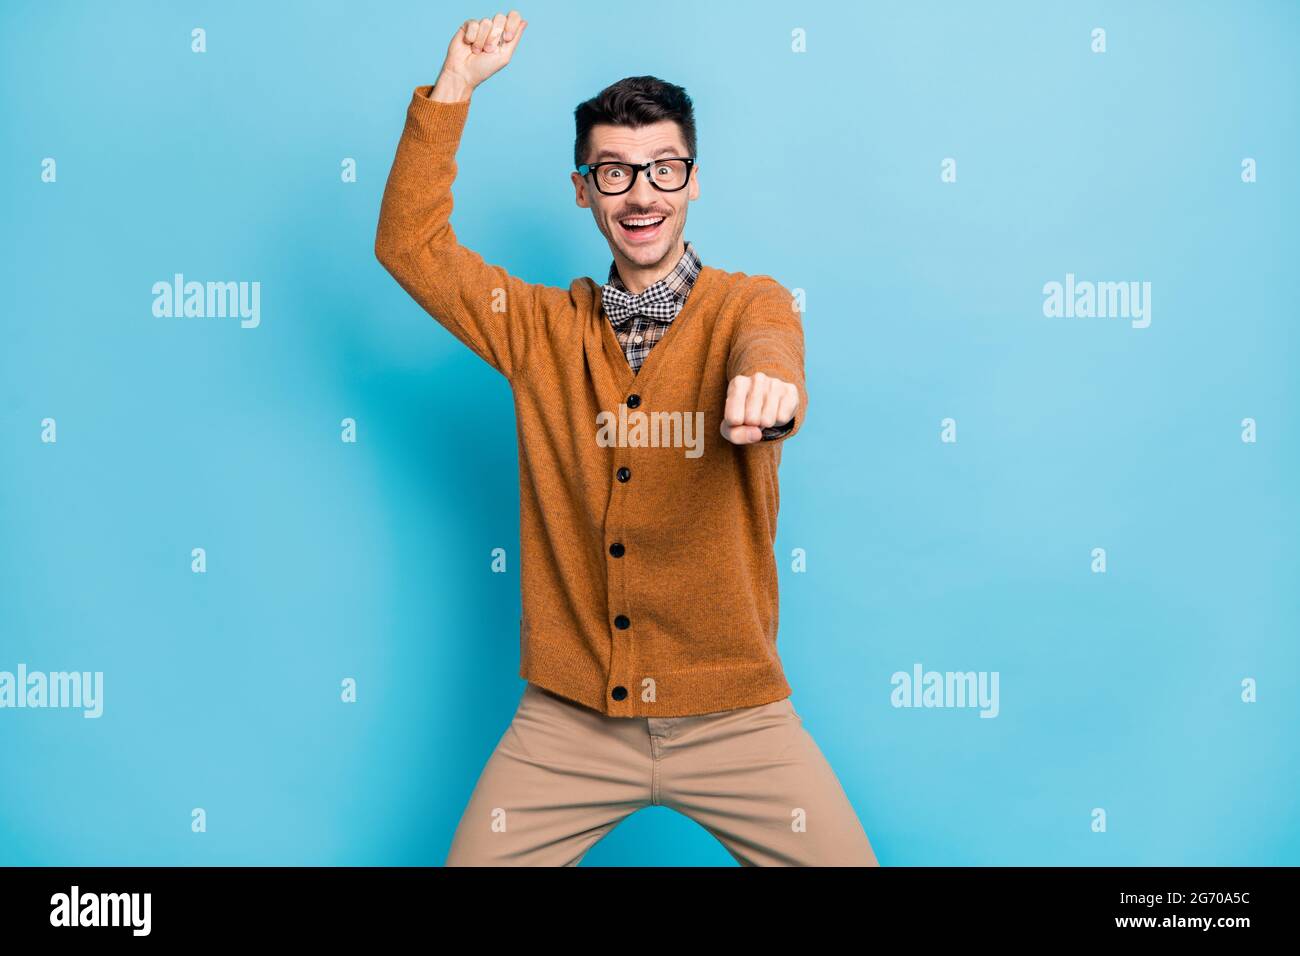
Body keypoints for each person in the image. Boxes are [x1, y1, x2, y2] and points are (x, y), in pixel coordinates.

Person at [375, 10, 878, 867]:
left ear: (692, 181)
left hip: (734, 717)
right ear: (583, 189)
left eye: (662, 169)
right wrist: (454, 84)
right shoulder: (535, 329)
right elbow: (410, 246)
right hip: (568, 720)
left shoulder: (747, 306)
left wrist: (770, 391)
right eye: (614, 172)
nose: (641, 193)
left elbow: (772, 349)